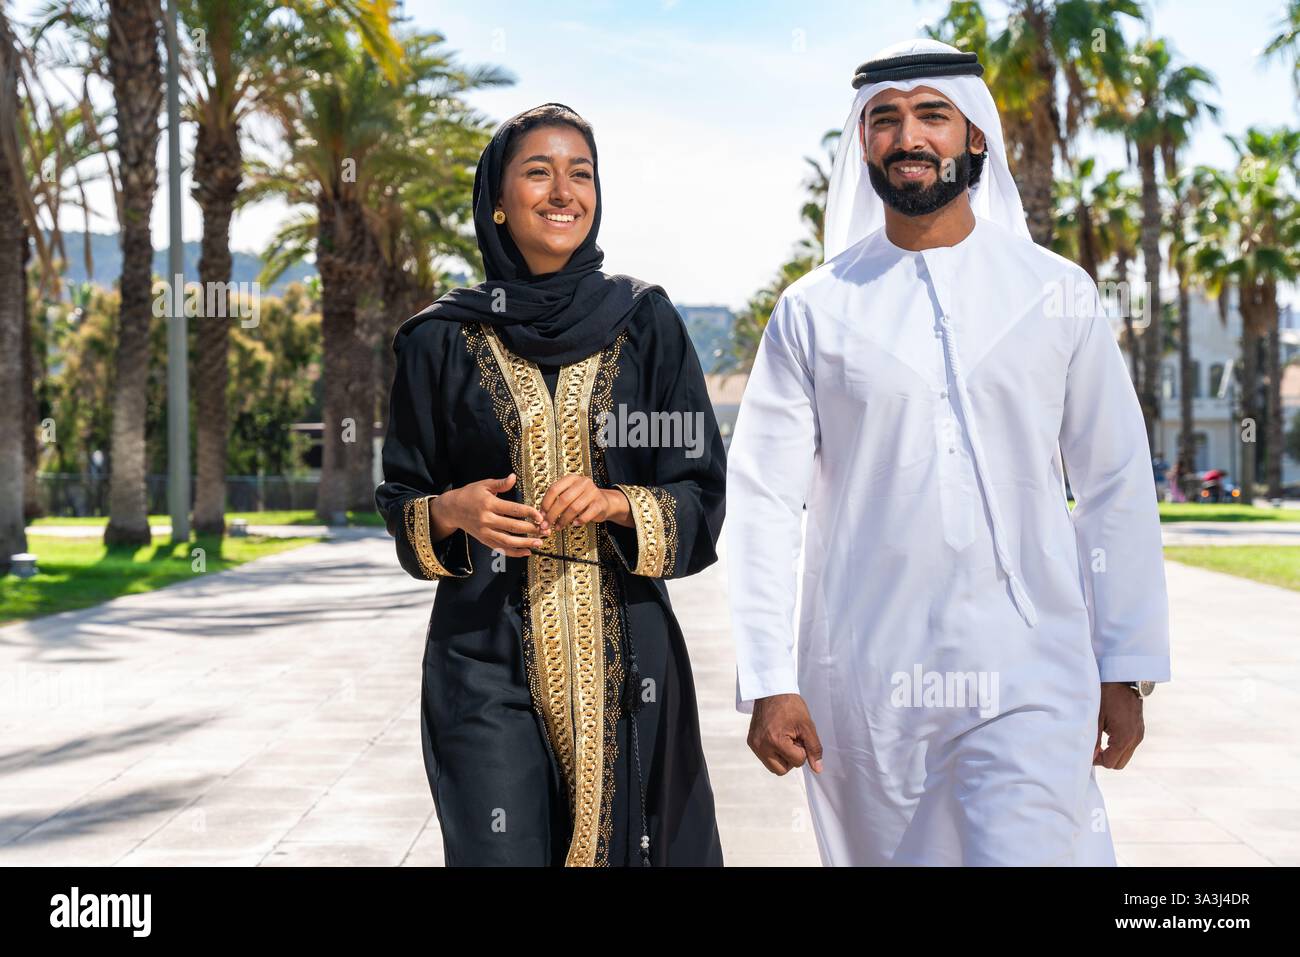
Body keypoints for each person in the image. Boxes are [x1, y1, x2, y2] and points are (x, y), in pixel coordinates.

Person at [726, 39, 1171, 866]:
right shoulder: (813, 310)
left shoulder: (1056, 291)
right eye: (885, 120)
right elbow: (760, 498)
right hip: (865, 681)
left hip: (1031, 668)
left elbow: (1112, 482)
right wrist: (766, 674)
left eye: (933, 114)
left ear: (976, 138)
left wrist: (1129, 663)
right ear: (862, 144)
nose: (908, 137)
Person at [375, 103, 726, 867]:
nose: (563, 190)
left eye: (582, 174)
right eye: (538, 172)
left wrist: (616, 503)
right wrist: (450, 510)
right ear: (497, 200)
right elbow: (401, 497)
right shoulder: (439, 337)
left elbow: (702, 494)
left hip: (629, 655)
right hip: (482, 652)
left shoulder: (646, 321)